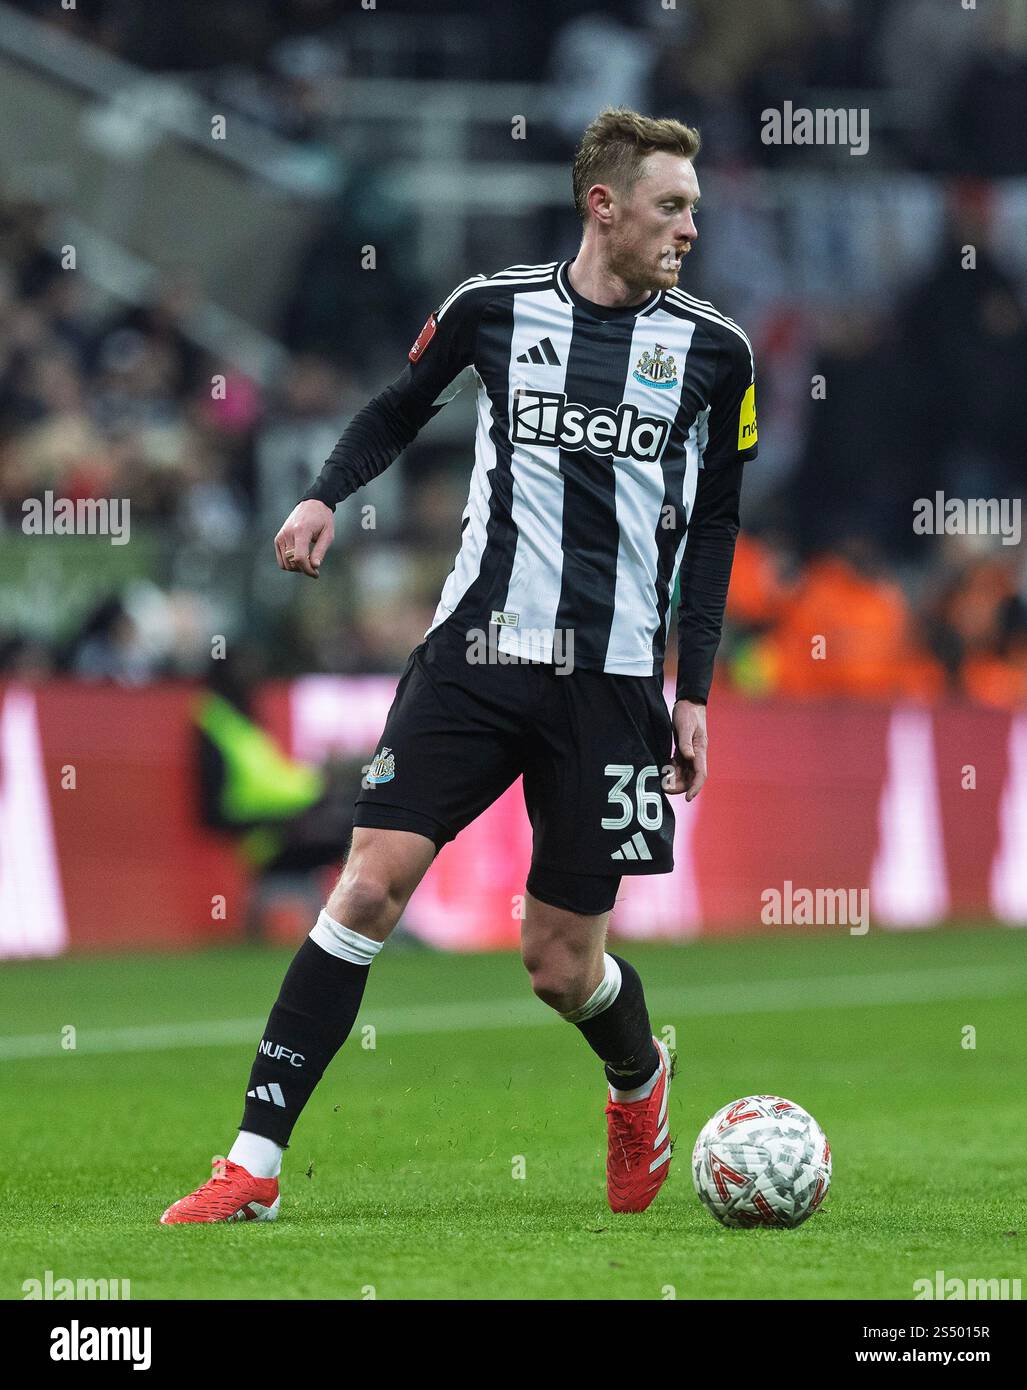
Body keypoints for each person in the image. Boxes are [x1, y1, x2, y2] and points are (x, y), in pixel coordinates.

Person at [161, 107, 758, 1225]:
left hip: (615, 681)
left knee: (558, 963)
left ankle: (638, 1083)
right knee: (368, 885)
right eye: (670, 206)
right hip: (473, 659)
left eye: (692, 209)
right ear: (604, 206)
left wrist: (694, 694)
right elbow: (396, 408)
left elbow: (715, 527)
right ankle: (252, 1165)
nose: (689, 227)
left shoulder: (716, 352)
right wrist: (320, 494)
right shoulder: (492, 309)